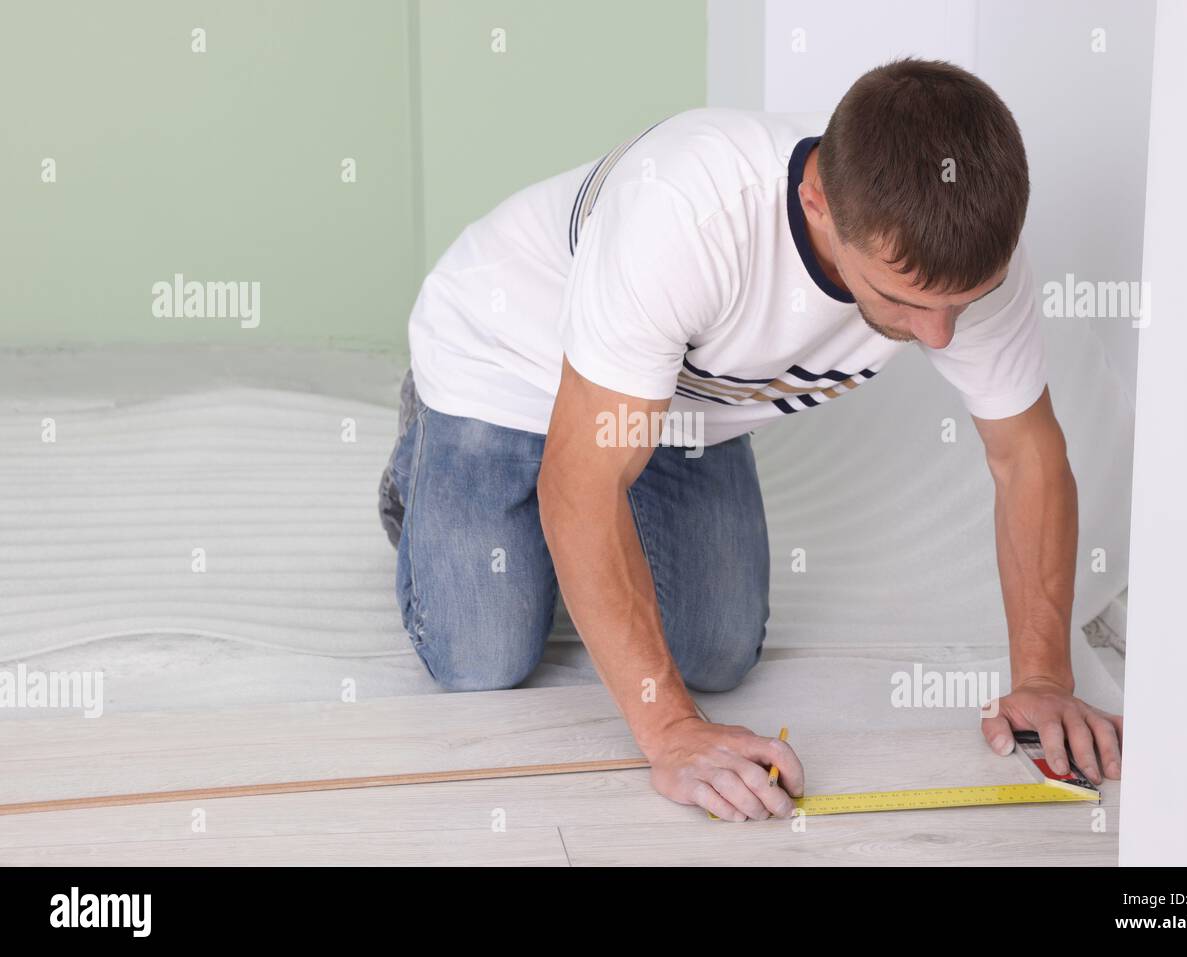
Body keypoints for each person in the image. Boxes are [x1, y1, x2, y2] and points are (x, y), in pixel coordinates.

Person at [378, 58, 1123, 823]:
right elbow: (582, 486)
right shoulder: (687, 217)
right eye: (901, 301)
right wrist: (670, 731)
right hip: (505, 366)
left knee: (719, 652)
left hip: (672, 406)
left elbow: (1027, 458)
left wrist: (1044, 678)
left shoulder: (964, 260)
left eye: (962, 304)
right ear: (819, 204)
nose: (939, 335)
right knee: (483, 656)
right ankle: (427, 458)